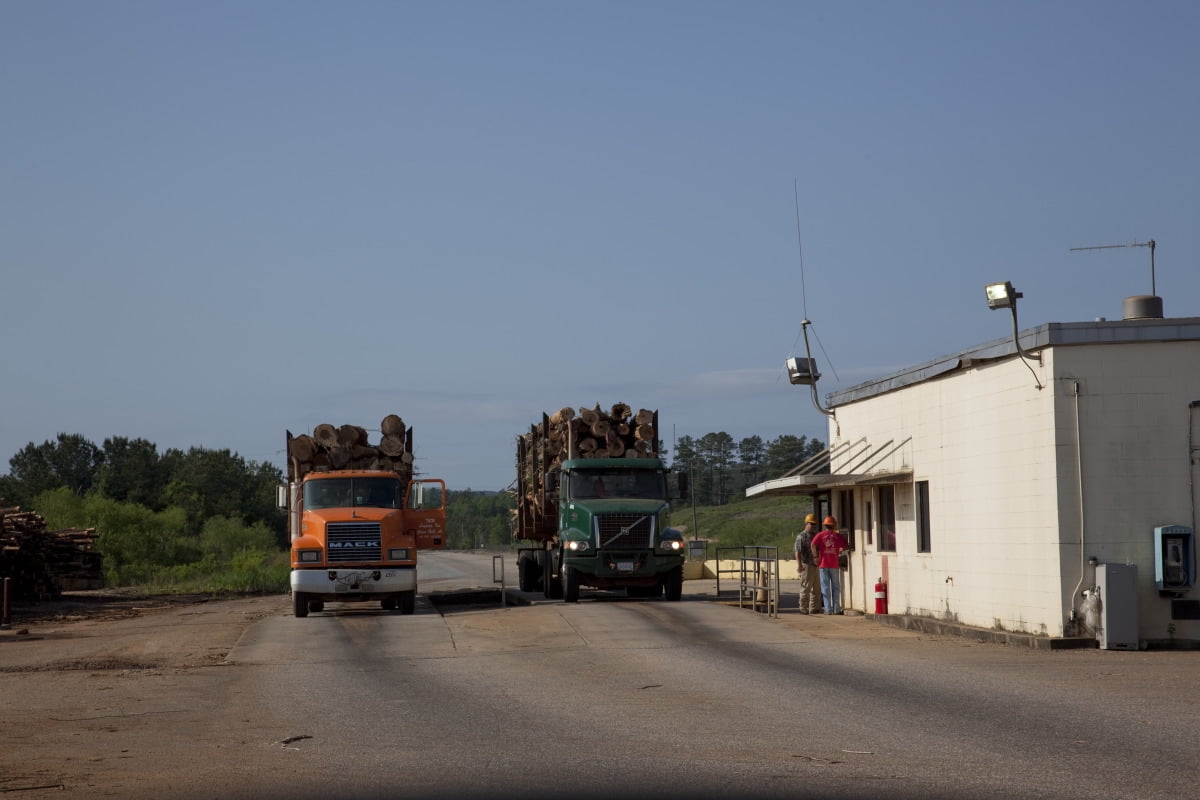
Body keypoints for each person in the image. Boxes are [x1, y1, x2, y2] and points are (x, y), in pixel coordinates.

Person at [811, 515, 850, 614]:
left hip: (823, 565)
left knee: (825, 588)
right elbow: (846, 546)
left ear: (825, 525)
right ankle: (836, 609)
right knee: (836, 587)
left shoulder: (820, 535)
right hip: (834, 565)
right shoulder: (837, 536)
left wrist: (816, 557)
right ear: (833, 525)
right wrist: (840, 549)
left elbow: (813, 545)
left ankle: (828, 609)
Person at [793, 513, 821, 614]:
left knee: (817, 588)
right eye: (811, 523)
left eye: (814, 524)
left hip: (816, 565)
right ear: (806, 523)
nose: (813, 526)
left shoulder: (816, 535)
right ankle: (803, 607)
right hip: (806, 565)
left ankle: (814, 607)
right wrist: (799, 564)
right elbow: (797, 551)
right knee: (806, 587)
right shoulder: (801, 536)